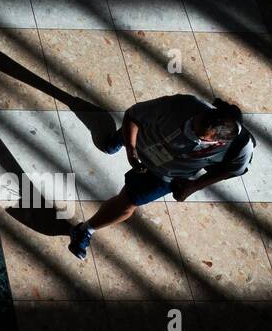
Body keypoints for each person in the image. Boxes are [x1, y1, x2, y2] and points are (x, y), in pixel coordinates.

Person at [69, 97, 256, 259]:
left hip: (168, 174)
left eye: (196, 135)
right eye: (193, 122)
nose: (188, 129)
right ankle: (121, 138)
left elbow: (231, 171)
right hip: (146, 141)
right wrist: (131, 152)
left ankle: (84, 230)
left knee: (128, 204)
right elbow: (133, 116)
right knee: (132, 130)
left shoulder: (241, 148)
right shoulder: (184, 105)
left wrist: (194, 186)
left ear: (218, 142)